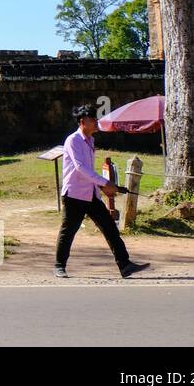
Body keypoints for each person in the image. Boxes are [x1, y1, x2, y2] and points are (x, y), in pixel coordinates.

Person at [55, 104, 150, 279]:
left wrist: (102, 187)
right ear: (83, 122)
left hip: (90, 194)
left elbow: (89, 170)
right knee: (69, 230)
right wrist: (105, 182)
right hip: (74, 194)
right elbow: (80, 168)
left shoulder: (90, 141)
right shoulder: (73, 140)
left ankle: (125, 265)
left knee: (109, 227)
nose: (96, 122)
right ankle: (59, 266)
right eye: (93, 120)